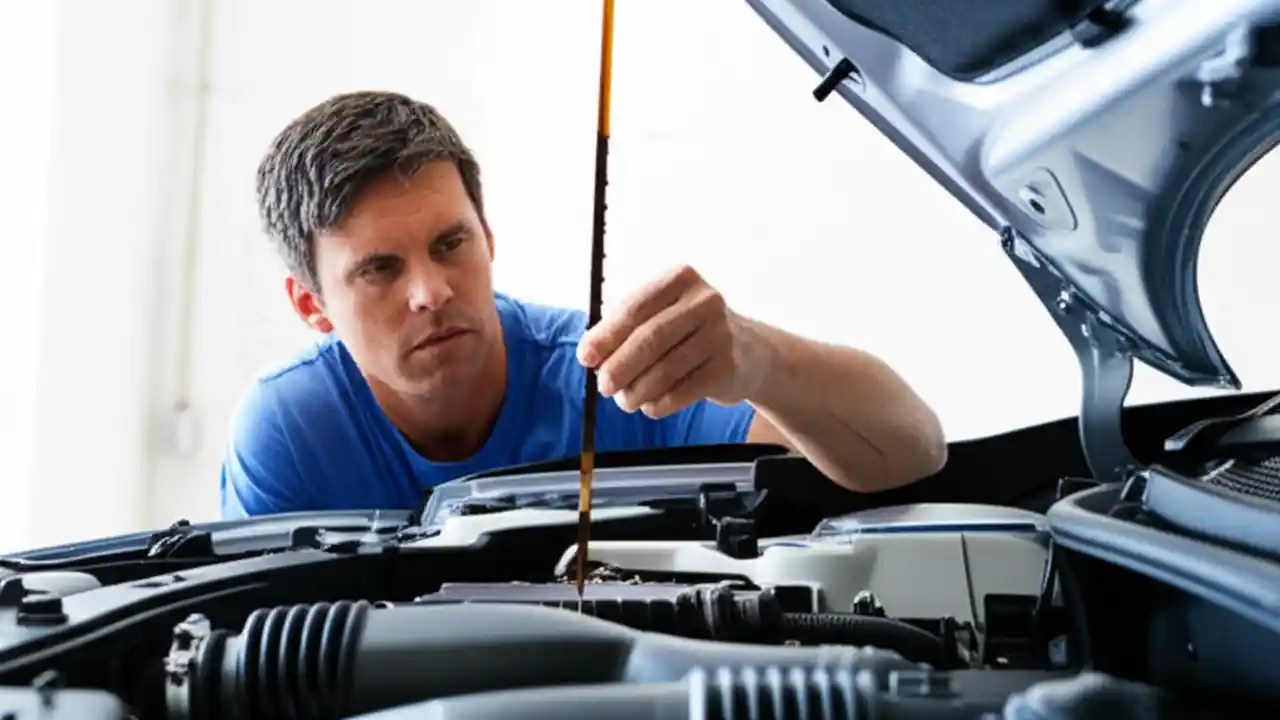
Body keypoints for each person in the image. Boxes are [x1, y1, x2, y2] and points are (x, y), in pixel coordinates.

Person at [219, 90, 947, 518]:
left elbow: (914, 452)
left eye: (451, 244)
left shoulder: (613, 378)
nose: (431, 292)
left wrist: (756, 359)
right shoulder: (289, 429)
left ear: (490, 237)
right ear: (311, 306)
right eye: (379, 269)